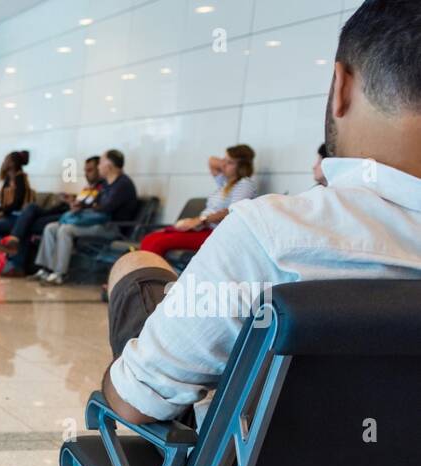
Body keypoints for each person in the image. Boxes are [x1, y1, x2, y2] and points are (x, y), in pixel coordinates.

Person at [101, 0, 421, 426]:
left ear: (341, 86)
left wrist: (124, 376)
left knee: (137, 264)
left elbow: (135, 405)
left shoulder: (272, 236)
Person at [34, 149, 137, 285]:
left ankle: (59, 274)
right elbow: (95, 204)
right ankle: (46, 269)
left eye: (100, 162)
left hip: (112, 228)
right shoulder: (107, 184)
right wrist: (80, 205)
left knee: (66, 229)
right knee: (51, 227)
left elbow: (106, 208)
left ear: (109, 165)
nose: (99, 166)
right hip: (96, 223)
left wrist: (87, 206)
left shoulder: (123, 184)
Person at [136, 146, 258, 259]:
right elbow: (211, 161)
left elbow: (232, 212)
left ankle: (151, 279)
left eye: (230, 162)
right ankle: (141, 277)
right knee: (149, 238)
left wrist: (200, 220)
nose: (224, 165)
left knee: (158, 242)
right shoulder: (225, 183)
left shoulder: (244, 184)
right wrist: (227, 161)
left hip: (215, 233)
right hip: (203, 229)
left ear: (242, 166)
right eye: (224, 161)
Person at [0, 156, 101, 266]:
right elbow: (79, 203)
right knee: (31, 207)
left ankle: (17, 261)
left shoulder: (101, 188)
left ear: (99, 169)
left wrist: (77, 205)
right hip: (62, 210)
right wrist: (70, 200)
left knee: (28, 224)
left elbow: (92, 208)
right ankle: (14, 241)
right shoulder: (87, 188)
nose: (86, 174)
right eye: (85, 170)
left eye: (90, 170)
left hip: (69, 216)